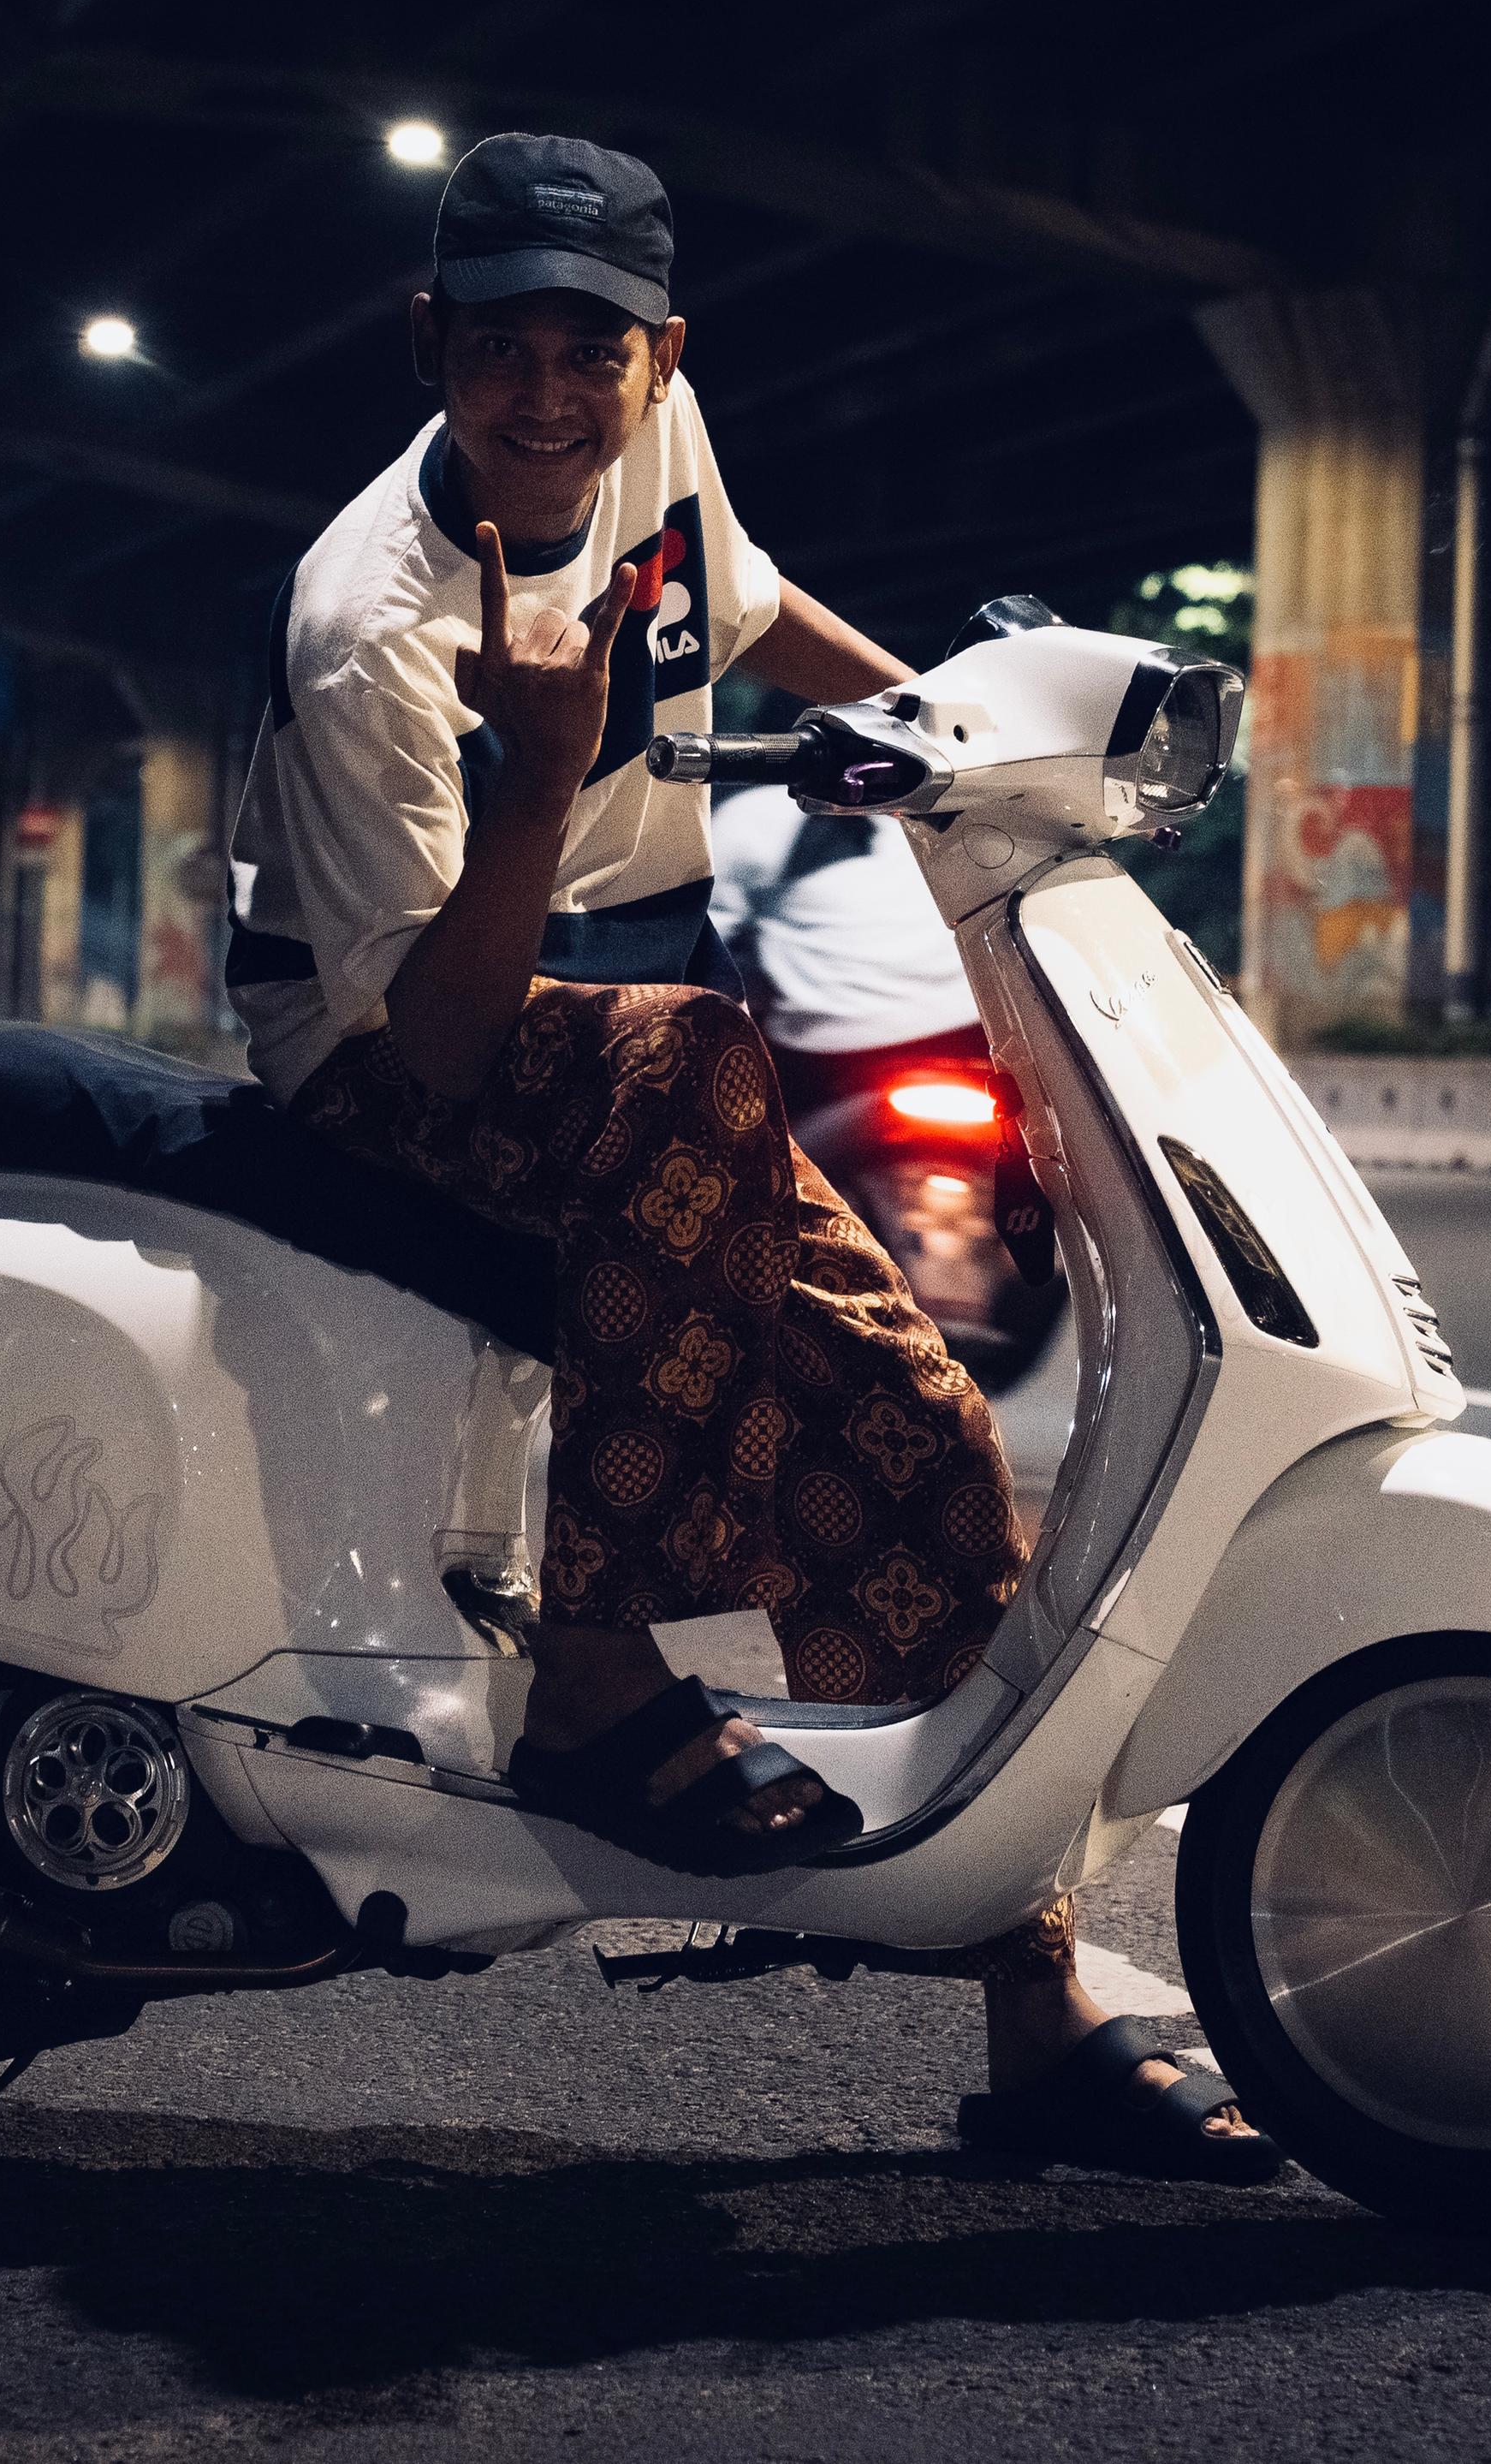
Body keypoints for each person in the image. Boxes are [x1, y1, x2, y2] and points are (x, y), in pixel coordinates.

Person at [224, 134, 1274, 2181]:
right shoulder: (373, 626)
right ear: (432, 344)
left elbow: (755, 599)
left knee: (913, 1425)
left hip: (632, 1048)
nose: (549, 393)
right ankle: (596, 1678)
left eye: (589, 352)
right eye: (504, 346)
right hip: (383, 1046)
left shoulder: (657, 436)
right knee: (701, 1051)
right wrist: (536, 778)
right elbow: (435, 1048)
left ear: (659, 355)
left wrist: (953, 741)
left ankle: (1035, 2005)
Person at [705, 780, 983, 1116]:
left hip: (830, 1045)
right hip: (968, 1023)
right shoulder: (933, 800)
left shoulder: (747, 819)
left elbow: (716, 951)